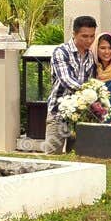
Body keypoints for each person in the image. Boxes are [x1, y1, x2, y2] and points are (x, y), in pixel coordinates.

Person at [44, 15, 97, 154]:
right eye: (84, 36)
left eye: (92, 36)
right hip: (58, 113)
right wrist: (90, 94)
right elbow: (67, 80)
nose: (89, 40)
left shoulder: (90, 56)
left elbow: (90, 81)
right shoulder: (61, 52)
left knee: (77, 157)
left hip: (79, 115)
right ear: (74, 34)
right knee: (52, 157)